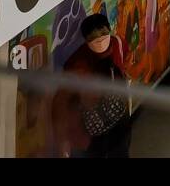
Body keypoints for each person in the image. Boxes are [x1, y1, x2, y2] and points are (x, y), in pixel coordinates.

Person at [55, 13, 132, 158]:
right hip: (91, 132)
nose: (100, 41)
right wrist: (63, 140)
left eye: (103, 34)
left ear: (109, 30)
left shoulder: (117, 44)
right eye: (93, 38)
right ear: (86, 40)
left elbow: (125, 60)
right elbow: (61, 102)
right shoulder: (77, 64)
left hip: (119, 121)